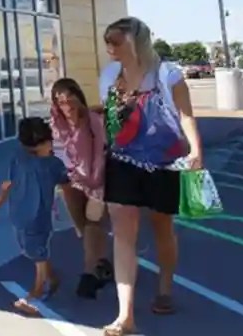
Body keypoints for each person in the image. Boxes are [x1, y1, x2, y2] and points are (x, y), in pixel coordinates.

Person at [99, 17, 204, 336]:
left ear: (137, 42)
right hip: (121, 162)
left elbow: (186, 116)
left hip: (163, 163)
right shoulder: (109, 76)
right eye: (107, 41)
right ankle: (125, 315)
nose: (110, 47)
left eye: (116, 41)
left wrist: (196, 151)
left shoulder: (167, 75)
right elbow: (109, 119)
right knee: (122, 233)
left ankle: (164, 287)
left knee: (162, 226)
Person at [0, 117, 71, 317]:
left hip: (38, 217)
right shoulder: (23, 159)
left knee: (37, 253)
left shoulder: (51, 164)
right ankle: (52, 278)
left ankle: (36, 292)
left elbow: (67, 187)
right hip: (20, 215)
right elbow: (8, 184)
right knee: (34, 251)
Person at [49, 77, 113, 299]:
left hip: (97, 180)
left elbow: (104, 149)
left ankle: (89, 275)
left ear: (79, 97)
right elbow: (52, 155)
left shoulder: (94, 121)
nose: (66, 105)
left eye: (70, 99)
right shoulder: (55, 125)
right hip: (70, 183)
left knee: (93, 223)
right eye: (61, 101)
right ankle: (101, 264)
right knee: (84, 228)